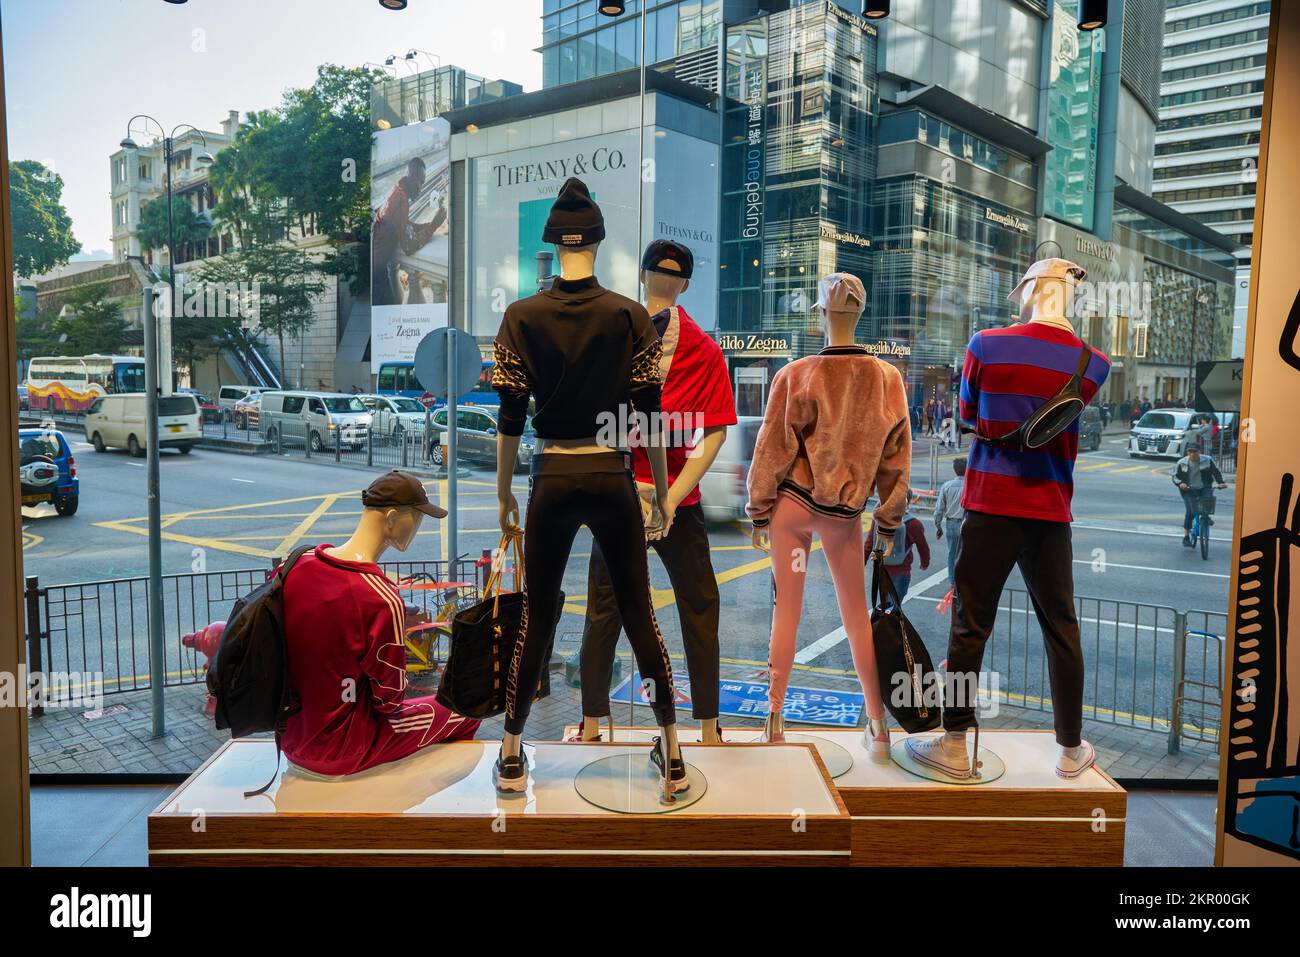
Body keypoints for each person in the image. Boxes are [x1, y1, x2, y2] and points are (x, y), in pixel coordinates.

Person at [490, 177, 685, 798]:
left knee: (539, 616)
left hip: (551, 475)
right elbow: (650, 413)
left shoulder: (521, 317)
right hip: (612, 474)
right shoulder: (627, 314)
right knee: (637, 610)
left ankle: (514, 752)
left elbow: (510, 419)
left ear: (553, 242)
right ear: (599, 242)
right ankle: (674, 752)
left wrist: (503, 494)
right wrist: (654, 484)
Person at [905, 257, 1110, 780]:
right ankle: (1069, 751)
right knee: (1062, 629)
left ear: (1032, 291)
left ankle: (954, 745)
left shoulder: (986, 345)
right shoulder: (1093, 362)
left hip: (990, 507)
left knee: (969, 627)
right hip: (1050, 512)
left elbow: (971, 417)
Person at [578, 239, 737, 744]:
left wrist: (635, 488)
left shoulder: (610, 332)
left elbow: (591, 424)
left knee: (605, 608)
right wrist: (670, 496)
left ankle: (591, 724)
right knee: (699, 605)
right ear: (685, 283)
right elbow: (714, 433)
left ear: (644, 276)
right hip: (678, 503)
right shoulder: (705, 348)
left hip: (621, 496)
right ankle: (709, 729)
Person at [747, 271, 911, 759]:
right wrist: (887, 520)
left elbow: (771, 450)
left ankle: (774, 720)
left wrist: (759, 514)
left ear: (820, 315)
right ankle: (878, 727)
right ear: (860, 314)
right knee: (856, 615)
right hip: (844, 515)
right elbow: (895, 461)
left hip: (792, 510)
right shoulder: (887, 378)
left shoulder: (796, 374)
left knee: (787, 611)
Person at [280, 472, 479, 777]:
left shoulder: (295, 565)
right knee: (466, 711)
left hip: (289, 737)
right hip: (346, 748)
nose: (418, 527)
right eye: (416, 517)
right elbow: (389, 700)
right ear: (391, 518)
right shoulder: (379, 597)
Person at [371, 157, 446, 307]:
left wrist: (429, 223)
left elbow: (404, 224)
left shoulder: (397, 189)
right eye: (420, 182)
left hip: (377, 269)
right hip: (379, 275)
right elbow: (409, 247)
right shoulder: (401, 200)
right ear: (411, 177)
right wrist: (434, 225)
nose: (421, 188)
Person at [871, 488, 930, 602]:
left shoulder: (879, 519)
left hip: (881, 570)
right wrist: (924, 563)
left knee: (885, 606)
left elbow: (869, 544)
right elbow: (923, 548)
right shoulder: (914, 523)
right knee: (894, 608)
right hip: (901, 572)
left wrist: (861, 564)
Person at [1173, 443, 1227, 547]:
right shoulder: (1182, 462)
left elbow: (1216, 472)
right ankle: (1186, 536)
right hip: (1188, 489)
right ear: (1187, 452)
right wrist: (1180, 483)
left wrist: (1221, 482)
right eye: (1190, 451)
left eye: (1194, 451)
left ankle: (1206, 517)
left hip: (1204, 487)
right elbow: (1175, 477)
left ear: (1199, 451)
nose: (1192, 454)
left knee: (1208, 501)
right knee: (1190, 511)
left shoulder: (1207, 460)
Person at [933, 457, 967, 588]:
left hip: (951, 523)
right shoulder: (970, 486)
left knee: (952, 552)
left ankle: (953, 581)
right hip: (966, 522)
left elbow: (939, 510)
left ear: (955, 470)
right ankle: (964, 579)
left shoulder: (946, 486)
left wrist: (938, 526)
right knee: (966, 552)